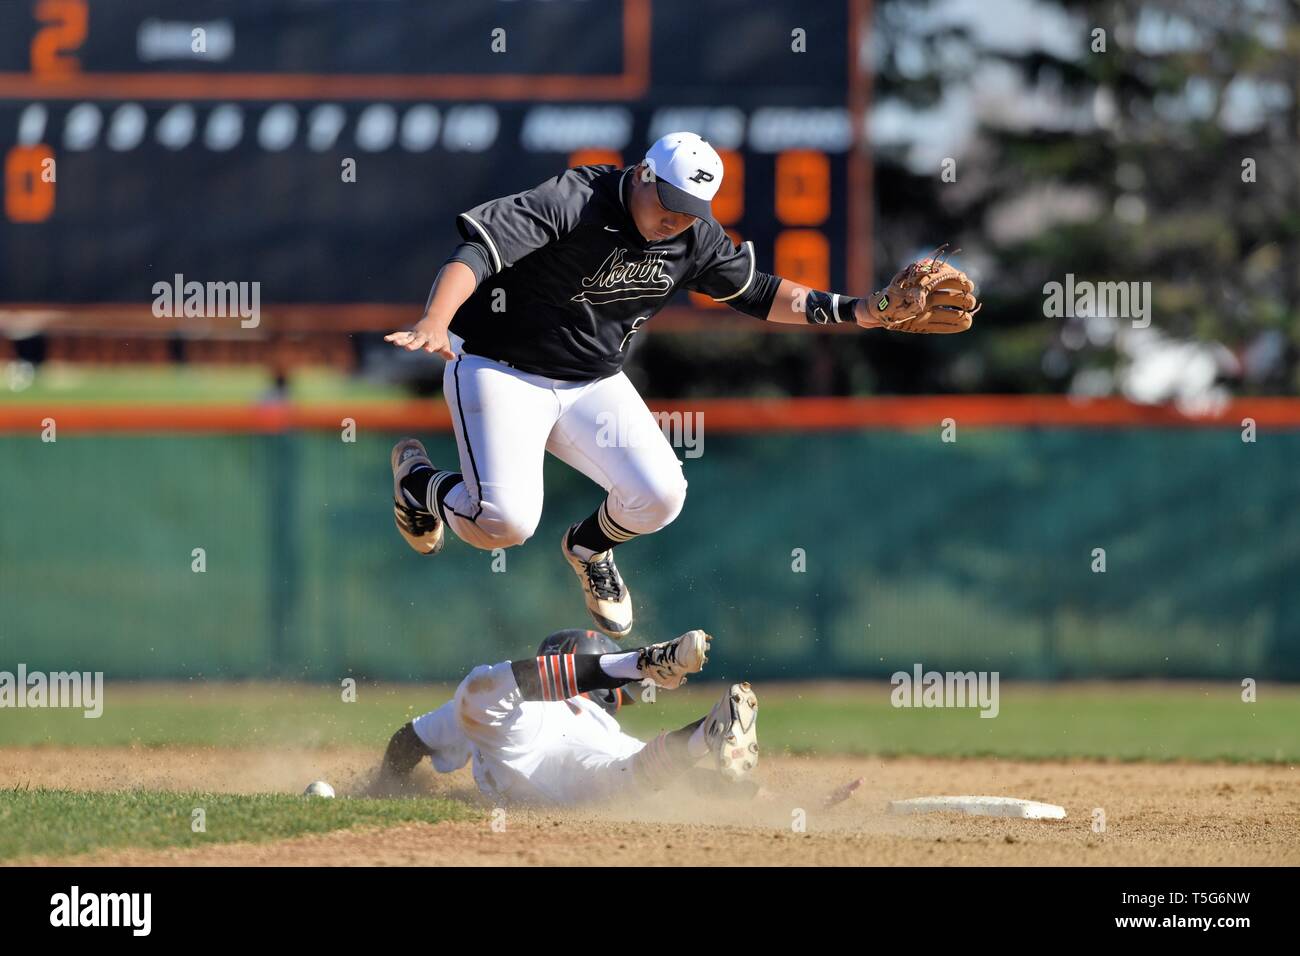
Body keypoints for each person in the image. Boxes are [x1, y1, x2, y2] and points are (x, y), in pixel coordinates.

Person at [384, 131, 977, 638]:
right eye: (668, 199)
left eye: (691, 207)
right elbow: (478, 252)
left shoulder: (693, 234)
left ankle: (588, 548)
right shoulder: (577, 197)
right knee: (504, 524)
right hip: (500, 367)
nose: (676, 216)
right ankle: (418, 484)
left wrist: (861, 311)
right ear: (642, 173)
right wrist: (436, 319)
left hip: (591, 380)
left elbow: (763, 295)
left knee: (662, 497)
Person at [375, 628, 759, 805]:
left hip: (524, 724)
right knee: (628, 778)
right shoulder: (610, 730)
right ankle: (701, 731)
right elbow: (693, 786)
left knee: (477, 693)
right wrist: (748, 791)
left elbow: (406, 741)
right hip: (574, 752)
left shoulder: (602, 726)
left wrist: (384, 788)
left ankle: (641, 665)